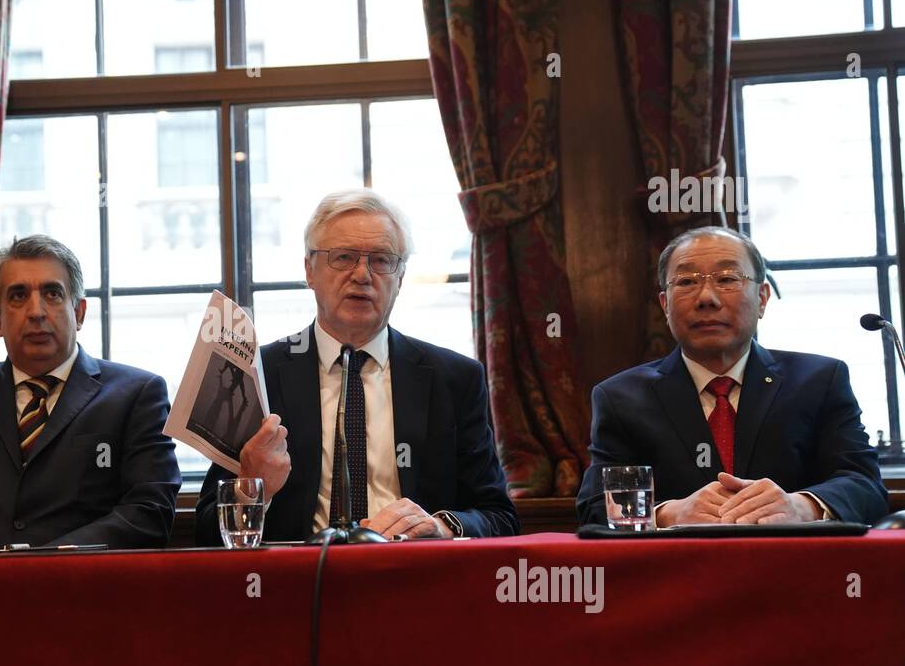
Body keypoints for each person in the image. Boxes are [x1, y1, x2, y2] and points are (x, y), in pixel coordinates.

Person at [196, 189, 520, 544]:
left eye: (381, 260)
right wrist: (253, 490)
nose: (363, 275)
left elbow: (498, 516)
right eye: (344, 257)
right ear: (309, 270)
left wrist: (441, 526)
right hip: (297, 584)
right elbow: (207, 530)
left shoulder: (455, 379)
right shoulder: (259, 375)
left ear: (400, 277)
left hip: (413, 578)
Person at [576, 226, 888, 526]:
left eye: (727, 279)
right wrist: (670, 513)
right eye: (686, 282)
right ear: (664, 306)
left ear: (762, 299)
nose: (706, 297)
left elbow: (864, 485)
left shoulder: (820, 381)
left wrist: (801, 505)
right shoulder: (621, 398)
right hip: (677, 574)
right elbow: (594, 507)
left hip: (795, 571)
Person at [0, 235, 181, 549]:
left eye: (53, 293)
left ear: (79, 312)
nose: (36, 312)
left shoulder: (137, 395)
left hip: (84, 589)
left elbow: (149, 513)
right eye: (18, 296)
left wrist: (45, 562)